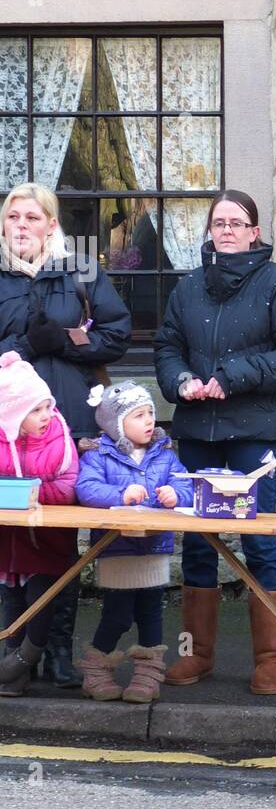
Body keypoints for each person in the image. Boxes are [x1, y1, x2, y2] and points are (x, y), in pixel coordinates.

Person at [153, 189, 276, 696]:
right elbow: (166, 347)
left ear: (254, 232)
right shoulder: (188, 288)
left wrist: (233, 376)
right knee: (198, 541)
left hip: (254, 432)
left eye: (236, 222)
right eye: (218, 222)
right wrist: (180, 380)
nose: (226, 229)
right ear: (210, 231)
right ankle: (195, 655)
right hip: (198, 432)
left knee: (257, 540)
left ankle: (270, 659)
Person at [0, 183, 131, 688]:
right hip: (9, 435)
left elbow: (116, 334)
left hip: (70, 427)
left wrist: (68, 342)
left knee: (59, 542)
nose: (23, 226)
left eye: (33, 218)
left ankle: (55, 652)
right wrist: (24, 343)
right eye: (15, 217)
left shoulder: (81, 271)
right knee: (9, 540)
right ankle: (13, 650)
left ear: (52, 225)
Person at [74, 382, 193, 704]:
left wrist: (175, 495)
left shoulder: (164, 455)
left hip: (154, 549)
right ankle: (96, 670)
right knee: (118, 614)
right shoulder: (99, 455)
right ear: (116, 424)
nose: (149, 421)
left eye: (151, 413)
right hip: (117, 549)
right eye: (139, 415)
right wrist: (120, 496)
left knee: (152, 613)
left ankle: (147, 677)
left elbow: (188, 487)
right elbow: (86, 490)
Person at [0, 353, 79, 697]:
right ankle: (13, 666)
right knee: (12, 597)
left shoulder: (59, 437)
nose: (47, 416)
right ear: (13, 414)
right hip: (9, 540)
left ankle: (28, 656)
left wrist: (28, 492)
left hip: (48, 538)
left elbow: (69, 485)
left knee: (42, 597)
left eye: (48, 406)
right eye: (36, 410)